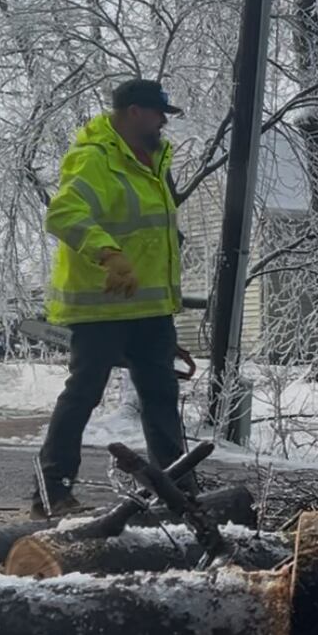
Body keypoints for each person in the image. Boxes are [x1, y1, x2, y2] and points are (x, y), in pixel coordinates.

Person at [36, 78, 188, 517]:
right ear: (135, 112)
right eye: (160, 113)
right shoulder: (94, 160)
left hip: (150, 309)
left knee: (160, 398)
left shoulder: (153, 164)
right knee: (84, 392)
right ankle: (53, 489)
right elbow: (64, 214)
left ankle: (177, 485)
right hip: (102, 306)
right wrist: (109, 254)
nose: (163, 122)